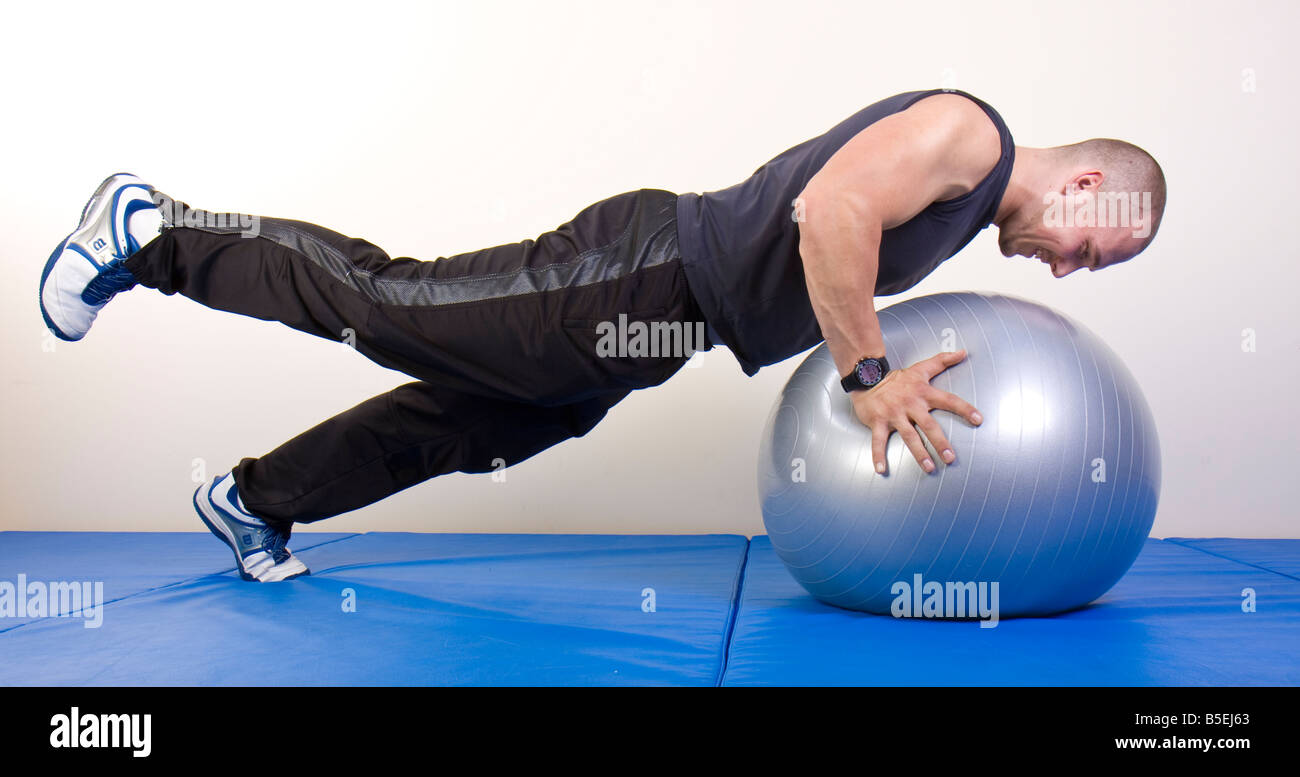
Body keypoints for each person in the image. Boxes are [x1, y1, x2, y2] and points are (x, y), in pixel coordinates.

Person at [38, 88, 1166, 582]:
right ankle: (158, 231)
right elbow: (830, 213)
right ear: (1085, 182)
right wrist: (867, 375)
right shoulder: (970, 134)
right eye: (1092, 247)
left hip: (661, 329)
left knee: (465, 427)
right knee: (391, 305)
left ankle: (255, 500)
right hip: (644, 270)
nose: (1069, 269)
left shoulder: (972, 202)